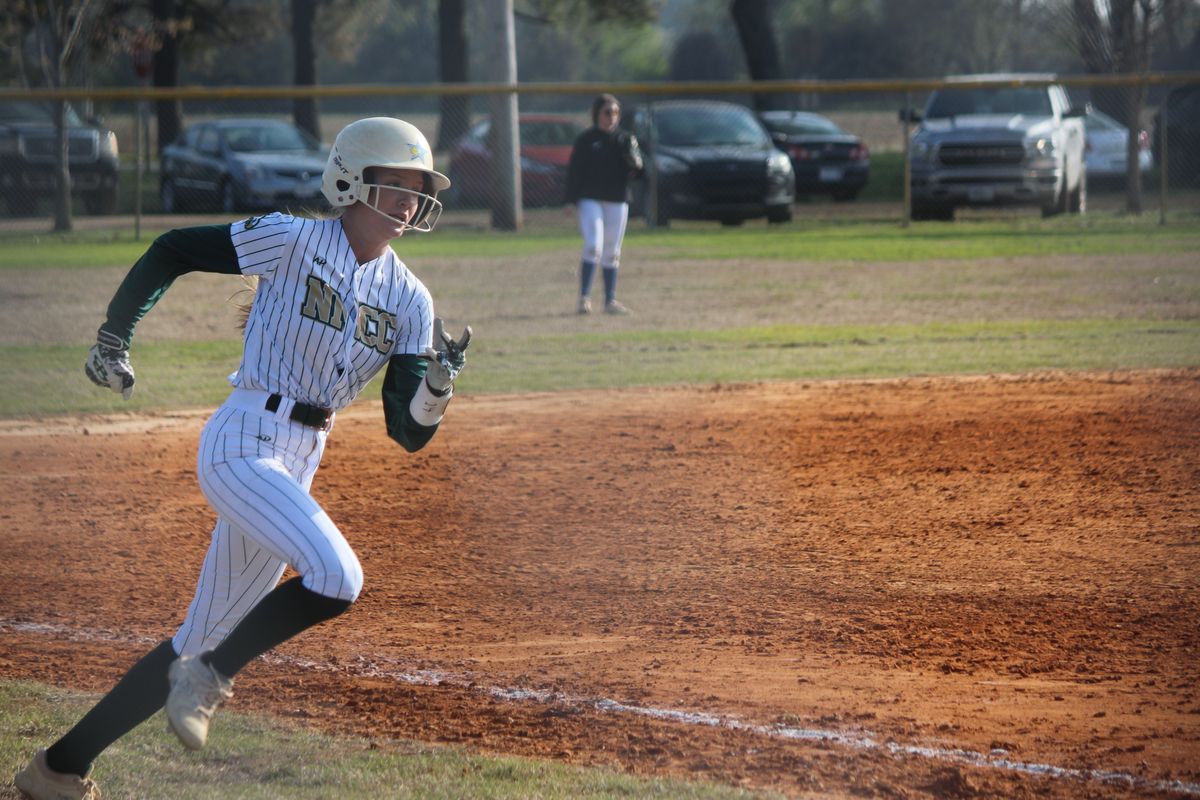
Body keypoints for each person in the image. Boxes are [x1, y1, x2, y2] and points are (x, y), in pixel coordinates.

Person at [14, 117, 471, 800]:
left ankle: (57, 769)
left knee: (192, 641)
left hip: (302, 455)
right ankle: (212, 680)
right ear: (351, 179)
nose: (410, 200)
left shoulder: (409, 299)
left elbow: (406, 433)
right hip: (244, 441)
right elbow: (173, 248)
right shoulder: (292, 239)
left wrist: (436, 388)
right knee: (338, 576)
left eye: (418, 189)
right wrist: (115, 333)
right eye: (397, 184)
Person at [565, 93, 643, 315]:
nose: (612, 117)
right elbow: (575, 172)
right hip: (590, 200)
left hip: (617, 200)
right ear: (596, 114)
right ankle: (584, 299)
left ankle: (610, 301)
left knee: (612, 251)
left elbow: (640, 173)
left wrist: (636, 163)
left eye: (616, 112)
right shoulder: (586, 140)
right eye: (607, 112)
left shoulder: (624, 140)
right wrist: (570, 200)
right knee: (593, 245)